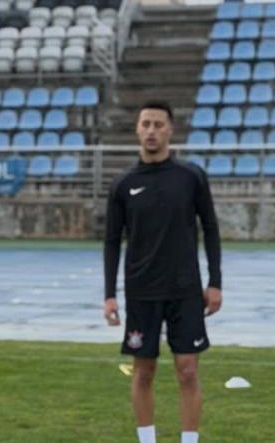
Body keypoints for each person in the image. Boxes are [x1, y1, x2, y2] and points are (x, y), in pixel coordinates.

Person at [103, 101, 223, 443]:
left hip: (186, 289)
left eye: (158, 124)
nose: (152, 131)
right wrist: (109, 294)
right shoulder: (123, 185)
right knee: (144, 372)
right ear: (137, 130)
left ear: (170, 130)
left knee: (187, 371)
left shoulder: (191, 177)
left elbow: (211, 229)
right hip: (141, 290)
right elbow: (112, 241)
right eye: (146, 124)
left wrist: (215, 283)